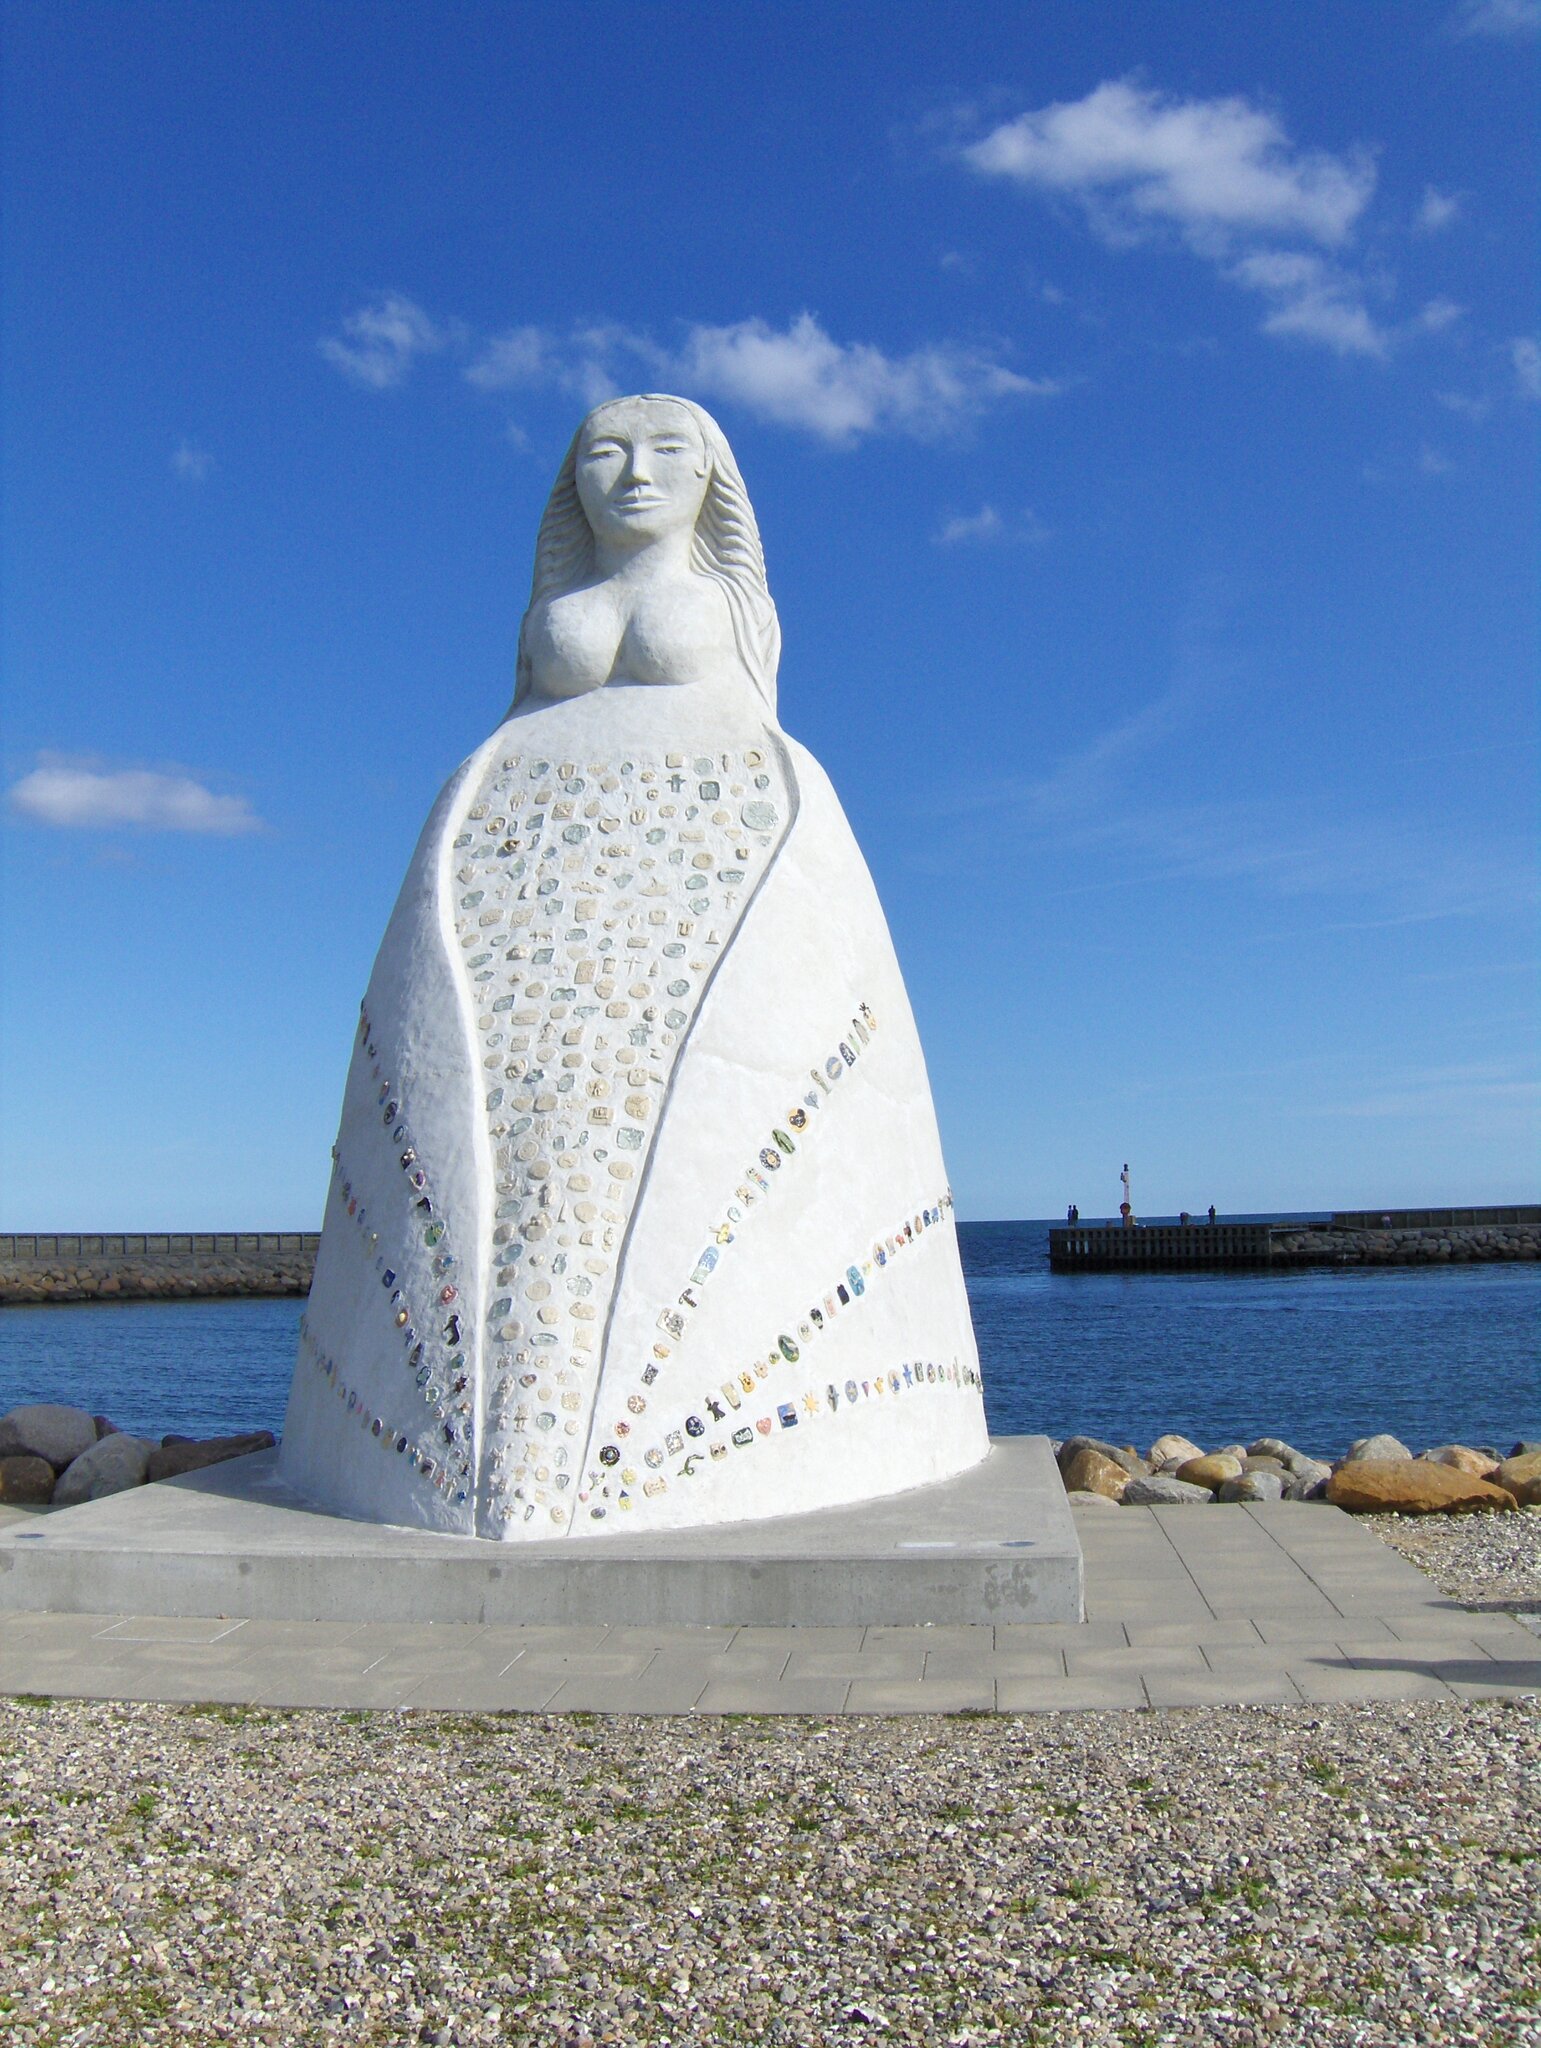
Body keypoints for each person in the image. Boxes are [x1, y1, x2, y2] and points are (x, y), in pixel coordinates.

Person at [280, 394, 987, 1543]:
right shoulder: (551, 616)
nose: (634, 473)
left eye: (667, 452)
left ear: (712, 482)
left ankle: (622, 1458)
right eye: (604, 453)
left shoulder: (729, 606)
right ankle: (489, 1467)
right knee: (500, 1148)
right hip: (517, 859)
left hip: (720, 837)